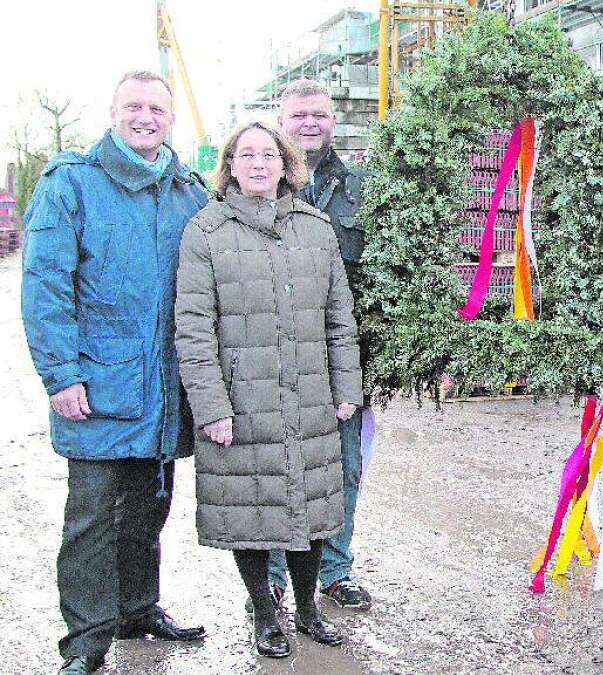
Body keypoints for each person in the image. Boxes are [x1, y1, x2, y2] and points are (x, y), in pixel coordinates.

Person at [21, 70, 209, 675]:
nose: (145, 117)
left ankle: (136, 608)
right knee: (93, 519)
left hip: (163, 385)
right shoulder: (71, 185)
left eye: (157, 107)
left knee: (149, 507)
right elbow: (47, 287)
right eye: (134, 106)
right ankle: (85, 641)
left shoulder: (190, 192)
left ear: (171, 117)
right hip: (100, 384)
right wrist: (61, 374)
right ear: (112, 111)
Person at [174, 121, 363, 658]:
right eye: (247, 155)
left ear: (286, 164)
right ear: (230, 165)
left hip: (311, 397)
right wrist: (211, 405)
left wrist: (346, 386)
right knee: (251, 512)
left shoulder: (316, 227)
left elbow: (338, 318)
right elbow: (193, 326)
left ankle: (306, 610)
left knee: (315, 507)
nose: (259, 164)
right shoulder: (206, 232)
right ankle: (264, 612)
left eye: (269, 155)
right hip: (242, 400)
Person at [253, 78, 373, 611]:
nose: (309, 124)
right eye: (299, 115)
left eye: (319, 115)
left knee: (342, 467)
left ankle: (334, 569)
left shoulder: (359, 190)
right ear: (283, 121)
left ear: (332, 121)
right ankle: (275, 574)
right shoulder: (258, 186)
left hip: (337, 357)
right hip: (273, 357)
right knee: (279, 466)